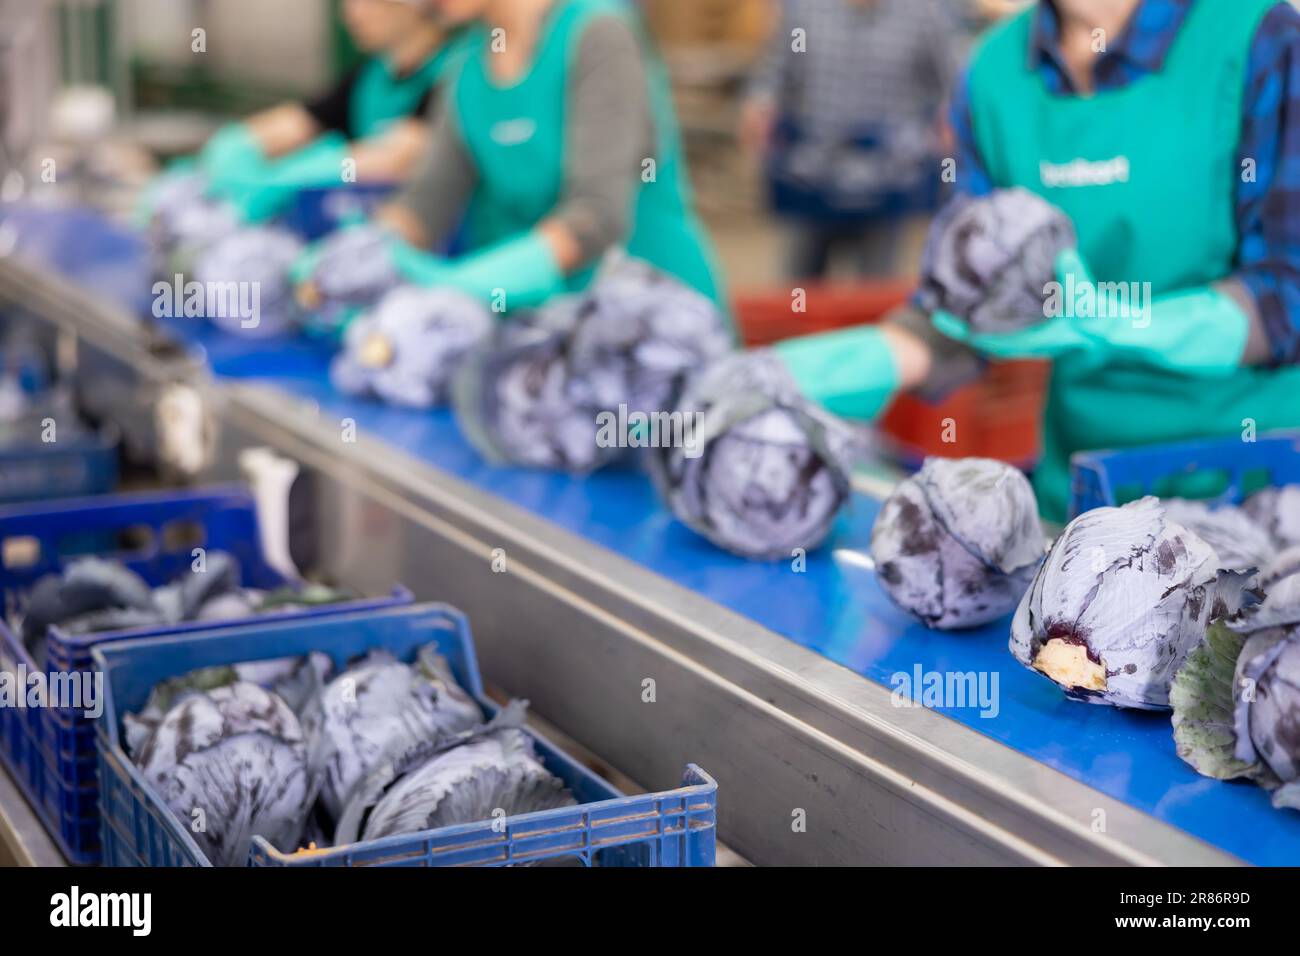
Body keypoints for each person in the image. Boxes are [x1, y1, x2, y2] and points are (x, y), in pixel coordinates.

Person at [771, 0, 1300, 520]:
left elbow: (1288, 294)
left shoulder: (1258, 37)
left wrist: (1124, 322)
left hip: (1256, 487)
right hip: (1085, 498)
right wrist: (834, 367)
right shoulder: (994, 71)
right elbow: (968, 300)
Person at [343, 0, 726, 310]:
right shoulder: (465, 66)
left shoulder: (596, 33)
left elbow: (595, 216)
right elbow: (427, 206)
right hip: (551, 330)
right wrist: (363, 251)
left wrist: (467, 284)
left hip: (654, 322)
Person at [739, 0, 962, 280]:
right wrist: (760, 105)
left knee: (875, 285)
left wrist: (949, 120)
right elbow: (776, 71)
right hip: (813, 172)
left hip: (887, 176)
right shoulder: (806, 11)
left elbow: (952, 80)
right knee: (800, 286)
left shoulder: (923, 13)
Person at [196, 0, 467, 222]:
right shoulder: (369, 75)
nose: (351, 14)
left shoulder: (456, 72)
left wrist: (289, 177)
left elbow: (401, 156)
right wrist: (232, 146)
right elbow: (292, 125)